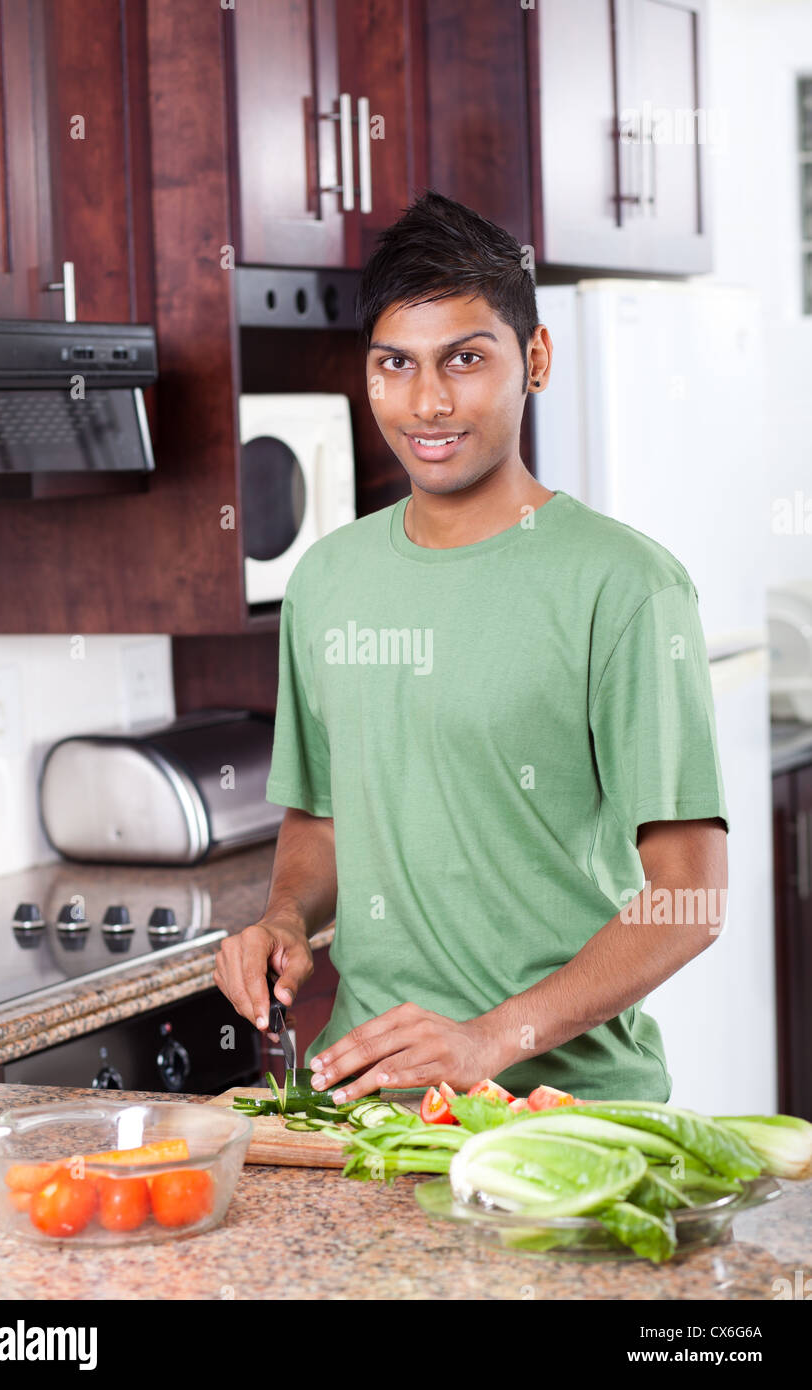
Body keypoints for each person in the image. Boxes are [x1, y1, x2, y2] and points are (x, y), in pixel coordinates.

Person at [214, 190, 729, 1105]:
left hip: (565, 1112)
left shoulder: (627, 586)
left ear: (533, 358)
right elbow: (324, 820)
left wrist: (489, 1042)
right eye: (396, 365)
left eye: (464, 359)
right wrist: (285, 917)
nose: (428, 402)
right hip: (371, 1108)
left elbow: (689, 899)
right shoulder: (326, 584)